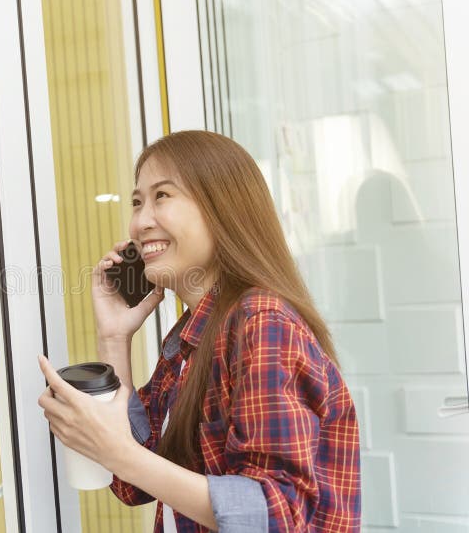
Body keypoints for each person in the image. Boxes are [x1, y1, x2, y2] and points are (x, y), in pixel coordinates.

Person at [37, 130, 361, 532]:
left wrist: (118, 453)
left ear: (221, 208)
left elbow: (277, 515)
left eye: (162, 197)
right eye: (137, 202)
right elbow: (133, 484)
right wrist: (114, 338)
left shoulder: (262, 322)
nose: (141, 221)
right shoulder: (192, 335)